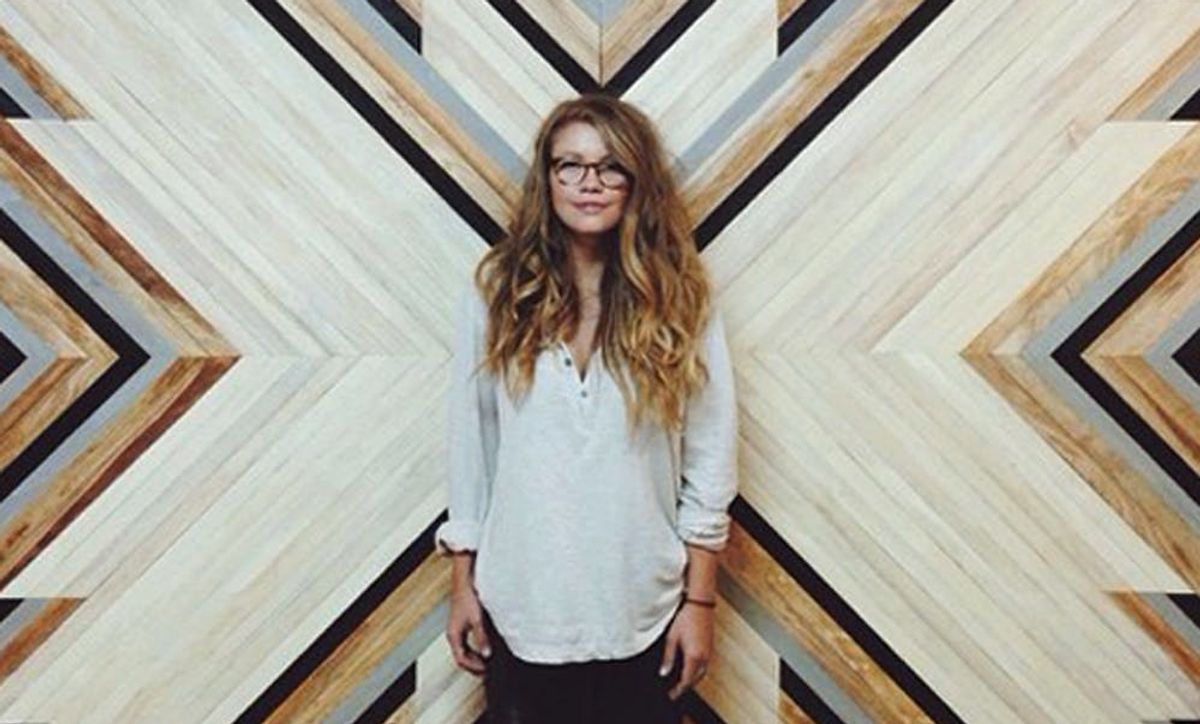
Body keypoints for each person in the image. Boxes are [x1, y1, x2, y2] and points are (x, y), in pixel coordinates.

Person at [434, 92, 739, 724]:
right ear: (547, 179)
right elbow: (473, 446)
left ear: (637, 179)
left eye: (610, 167)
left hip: (643, 607)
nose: (589, 182)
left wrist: (699, 603)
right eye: (569, 165)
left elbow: (710, 453)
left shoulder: (681, 296)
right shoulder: (496, 291)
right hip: (522, 606)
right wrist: (462, 584)